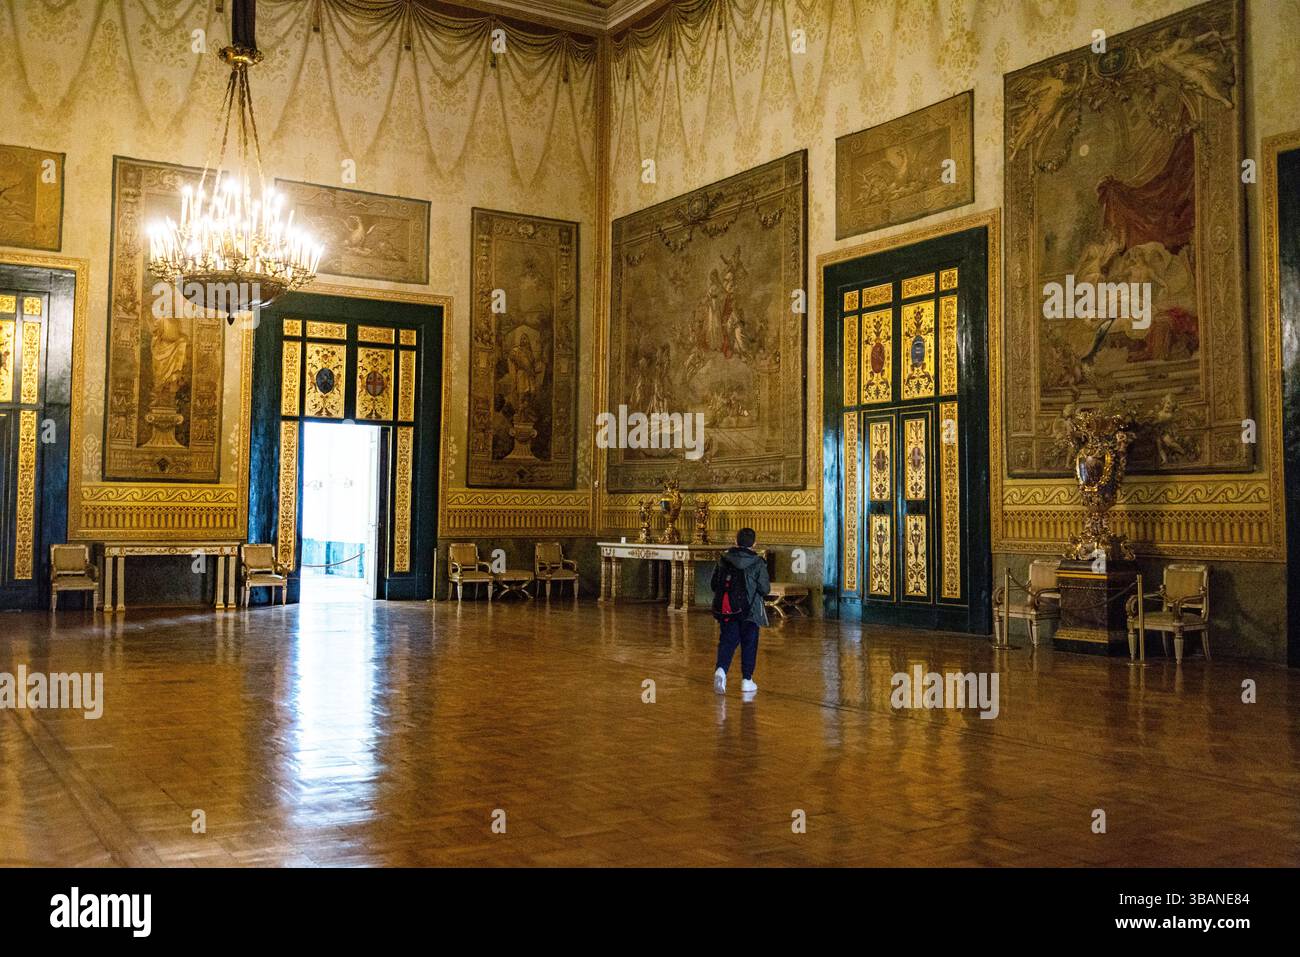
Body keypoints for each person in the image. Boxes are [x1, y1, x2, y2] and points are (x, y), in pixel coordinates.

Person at [710, 527, 770, 695]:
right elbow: (765, 589)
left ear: (735, 542)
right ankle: (747, 680)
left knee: (728, 640)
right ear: (754, 544)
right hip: (750, 611)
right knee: (749, 643)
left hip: (729, 609)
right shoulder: (758, 562)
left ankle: (721, 670)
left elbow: (714, 585)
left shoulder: (724, 559)